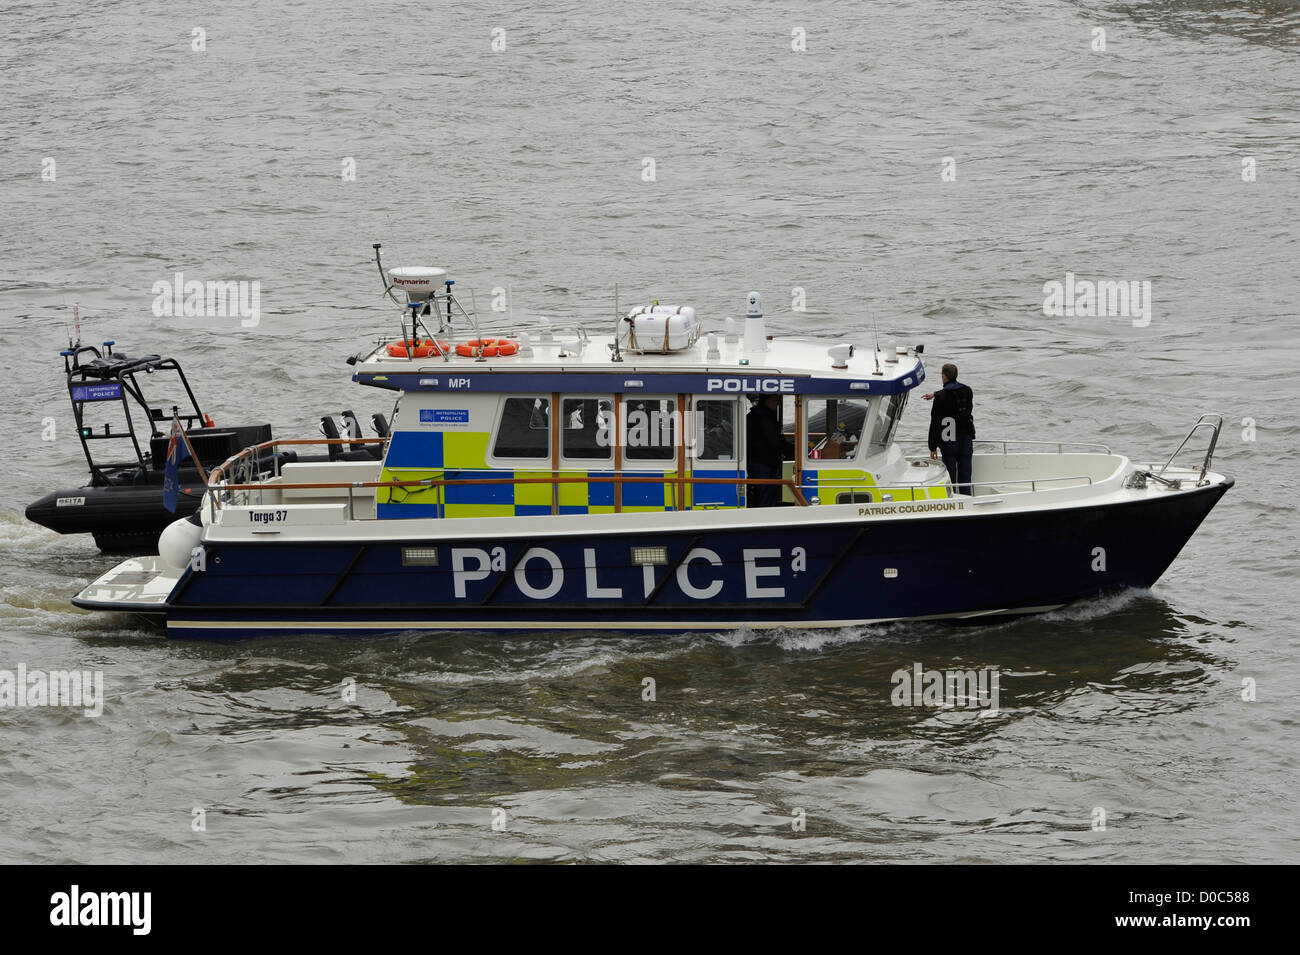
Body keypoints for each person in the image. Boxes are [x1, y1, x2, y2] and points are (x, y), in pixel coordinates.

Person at [923, 363, 975, 494]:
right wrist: (935, 394)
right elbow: (955, 391)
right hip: (966, 436)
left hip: (949, 437)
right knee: (965, 474)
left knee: (950, 474)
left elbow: (935, 423)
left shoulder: (941, 397)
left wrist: (932, 447)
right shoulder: (968, 390)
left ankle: (952, 499)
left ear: (943, 376)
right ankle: (966, 497)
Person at [746, 394, 793, 507]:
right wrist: (791, 449)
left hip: (757, 460)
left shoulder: (755, 415)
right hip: (763, 462)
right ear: (766, 401)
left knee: (762, 491)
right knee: (766, 492)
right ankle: (764, 516)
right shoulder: (765, 417)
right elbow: (774, 441)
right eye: (775, 400)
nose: (777, 403)